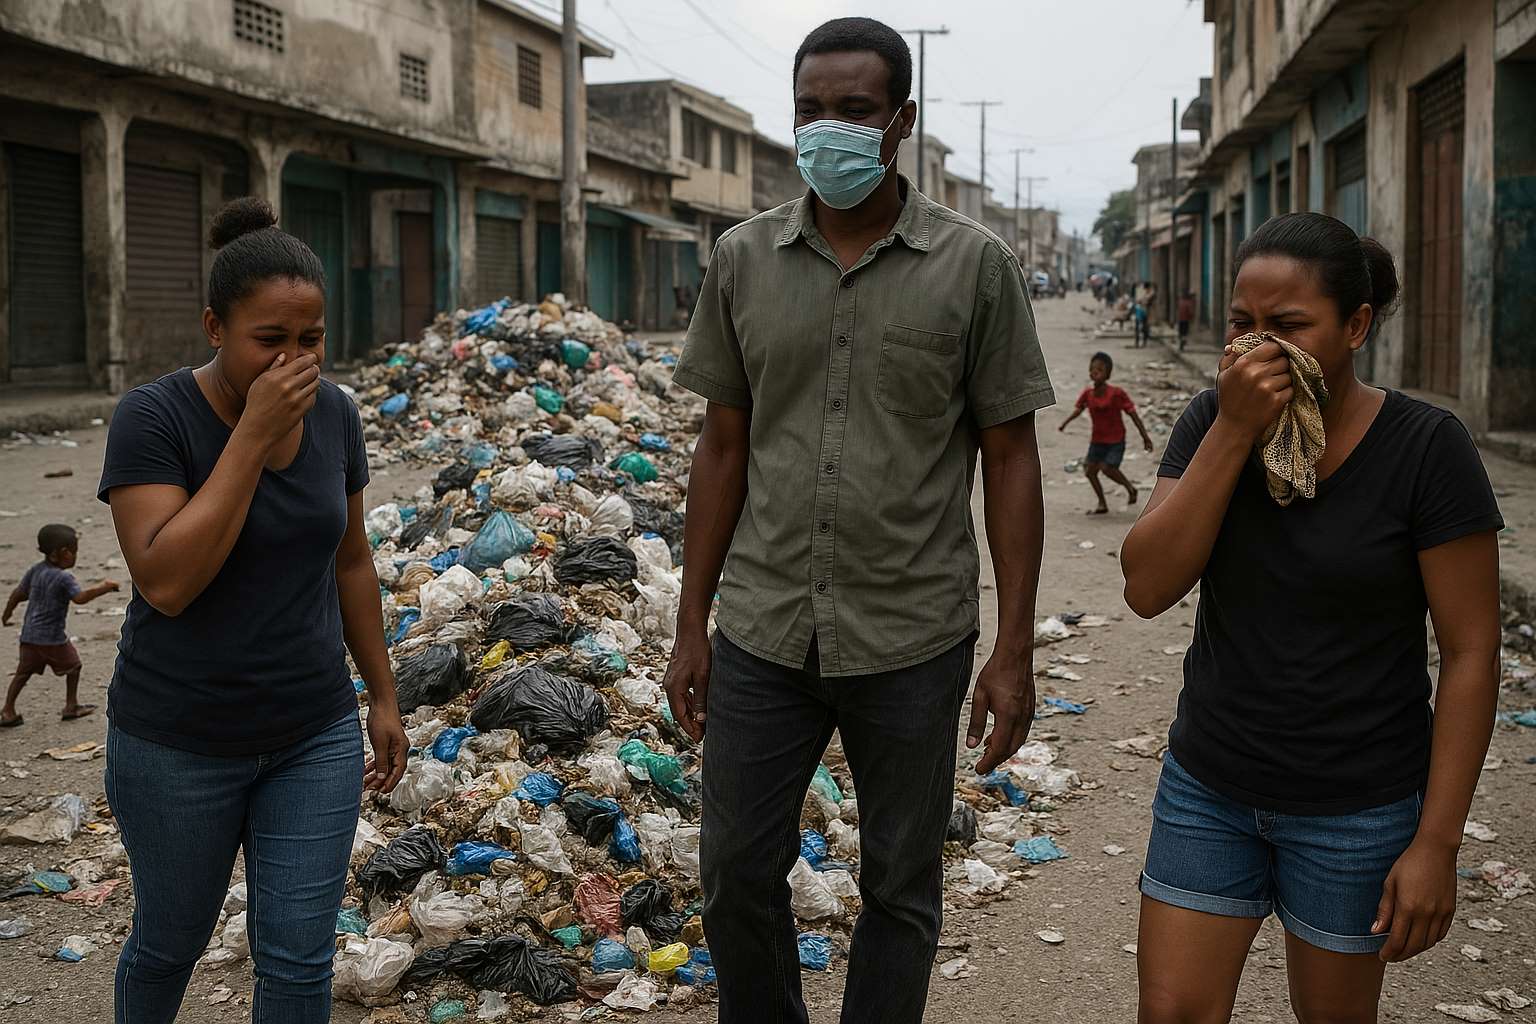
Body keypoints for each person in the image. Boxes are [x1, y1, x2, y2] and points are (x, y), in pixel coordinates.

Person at [662, 16, 1053, 1024]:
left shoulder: (976, 268)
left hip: (914, 634)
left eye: (854, 110)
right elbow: (722, 448)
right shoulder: (742, 259)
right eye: (810, 111)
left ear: (901, 121)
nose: (827, 128)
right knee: (735, 876)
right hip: (762, 628)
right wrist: (687, 624)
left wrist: (1014, 644)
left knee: (900, 890)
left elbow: (1011, 459)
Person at [1121, 212, 1502, 1024]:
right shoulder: (1210, 422)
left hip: (1358, 807)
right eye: (1242, 326)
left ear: (1356, 326)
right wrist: (1233, 429)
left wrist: (1436, 844)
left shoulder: (1427, 449)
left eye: (1288, 327)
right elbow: (1147, 585)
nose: (1259, 350)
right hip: (1209, 789)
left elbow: (1471, 652)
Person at [97, 197, 408, 1024]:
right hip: (176, 742)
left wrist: (381, 694)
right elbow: (166, 579)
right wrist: (250, 436)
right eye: (269, 341)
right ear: (214, 328)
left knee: (298, 960)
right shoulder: (153, 419)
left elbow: (351, 560)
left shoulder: (336, 413)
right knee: (170, 942)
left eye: (311, 340)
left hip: (312, 735)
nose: (294, 361)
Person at [2, 524, 118, 726]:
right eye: (74, 552)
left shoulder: (36, 570)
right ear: (62, 554)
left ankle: (8, 710)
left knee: (22, 673)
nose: (75, 557)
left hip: (29, 636)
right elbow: (80, 598)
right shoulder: (63, 577)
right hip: (52, 639)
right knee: (74, 667)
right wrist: (104, 588)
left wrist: (6, 614)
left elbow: (18, 593)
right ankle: (70, 706)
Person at [1058, 352, 1153, 514]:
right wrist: (1065, 423)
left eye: (1100, 369)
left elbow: (1133, 415)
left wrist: (1145, 437)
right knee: (1090, 471)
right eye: (1092, 369)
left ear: (1108, 373)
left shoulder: (1117, 393)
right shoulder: (1088, 394)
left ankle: (1130, 488)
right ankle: (1102, 502)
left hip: (1116, 440)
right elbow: (1078, 410)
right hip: (1097, 440)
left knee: (1107, 468)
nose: (1095, 372)